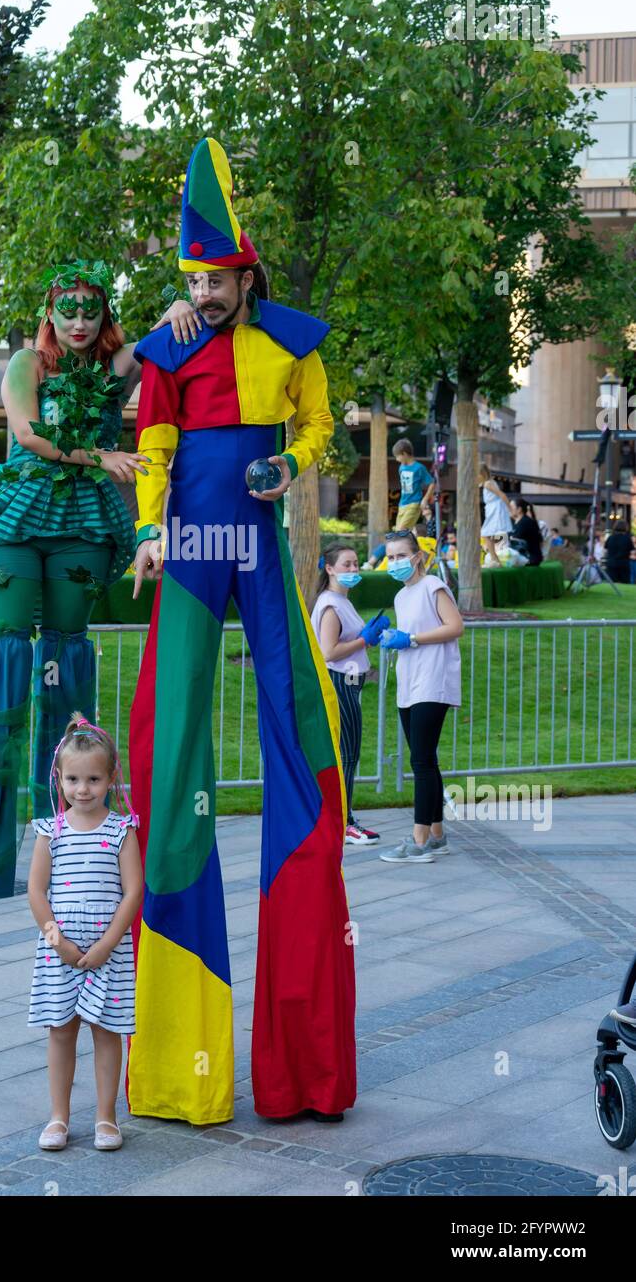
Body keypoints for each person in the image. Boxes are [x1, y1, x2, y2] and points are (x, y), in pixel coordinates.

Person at [127, 136, 356, 1125]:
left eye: (218, 277)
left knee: (304, 757)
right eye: (194, 278)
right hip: (187, 551)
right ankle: (183, 1068)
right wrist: (145, 528)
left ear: (245, 273)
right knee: (169, 760)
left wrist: (293, 464)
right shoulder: (167, 347)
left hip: (258, 550)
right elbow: (151, 445)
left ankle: (304, 1065)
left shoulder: (291, 344)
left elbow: (317, 427)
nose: (206, 292)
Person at [0, 261, 198, 911]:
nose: (80, 323)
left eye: (91, 311)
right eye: (69, 311)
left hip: (81, 524)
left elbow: (159, 341)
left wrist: (175, 308)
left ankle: (66, 839)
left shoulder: (110, 371)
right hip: (18, 515)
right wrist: (99, 457)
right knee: (2, 651)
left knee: (64, 662)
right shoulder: (28, 363)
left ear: (103, 315)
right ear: (50, 314)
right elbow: (27, 434)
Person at [27, 713, 143, 1152]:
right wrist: (60, 943)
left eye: (94, 779)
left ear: (111, 777)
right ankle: (58, 1117)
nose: (83, 789)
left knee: (106, 1030)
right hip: (60, 950)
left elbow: (132, 892)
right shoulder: (49, 832)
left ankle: (106, 1118)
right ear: (59, 778)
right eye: (73, 779)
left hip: (107, 950)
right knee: (61, 1029)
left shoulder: (120, 831)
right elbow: (37, 893)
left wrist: (106, 944)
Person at [377, 530, 464, 863]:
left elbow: (455, 626)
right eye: (391, 557)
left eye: (402, 555)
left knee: (421, 762)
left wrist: (411, 638)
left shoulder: (433, 587)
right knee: (425, 759)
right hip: (409, 684)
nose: (396, 562)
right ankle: (438, 835)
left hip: (433, 681)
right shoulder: (402, 596)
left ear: (417, 556)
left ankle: (419, 840)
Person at [311, 541, 390, 845]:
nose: (354, 569)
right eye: (347, 564)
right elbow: (329, 651)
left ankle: (343, 818)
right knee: (346, 754)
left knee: (349, 753)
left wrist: (366, 633)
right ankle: (343, 822)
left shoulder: (341, 601)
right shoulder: (330, 604)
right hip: (340, 682)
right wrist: (364, 640)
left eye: (356, 564)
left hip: (350, 682)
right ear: (329, 568)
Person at [393, 439, 434, 532]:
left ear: (404, 454)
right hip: (402, 504)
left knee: (401, 531)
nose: (396, 459)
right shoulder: (401, 467)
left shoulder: (419, 468)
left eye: (397, 456)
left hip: (414, 503)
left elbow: (431, 483)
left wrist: (425, 499)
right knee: (399, 533)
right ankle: (412, 545)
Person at [479, 463, 513, 566]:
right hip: (492, 508)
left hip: (495, 509)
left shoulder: (488, 484)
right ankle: (495, 558)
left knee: (486, 533)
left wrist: (510, 509)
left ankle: (495, 559)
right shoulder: (488, 483)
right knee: (489, 533)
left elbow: (502, 494)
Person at [509, 498, 543, 566]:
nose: (509, 509)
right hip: (520, 557)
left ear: (519, 509)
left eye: (511, 507)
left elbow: (515, 539)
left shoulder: (527, 522)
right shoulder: (514, 522)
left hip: (530, 559)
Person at [603, 519, 634, 583]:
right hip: (623, 564)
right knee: (624, 583)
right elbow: (631, 550)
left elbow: (605, 549)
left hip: (611, 563)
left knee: (612, 584)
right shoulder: (627, 538)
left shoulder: (610, 538)